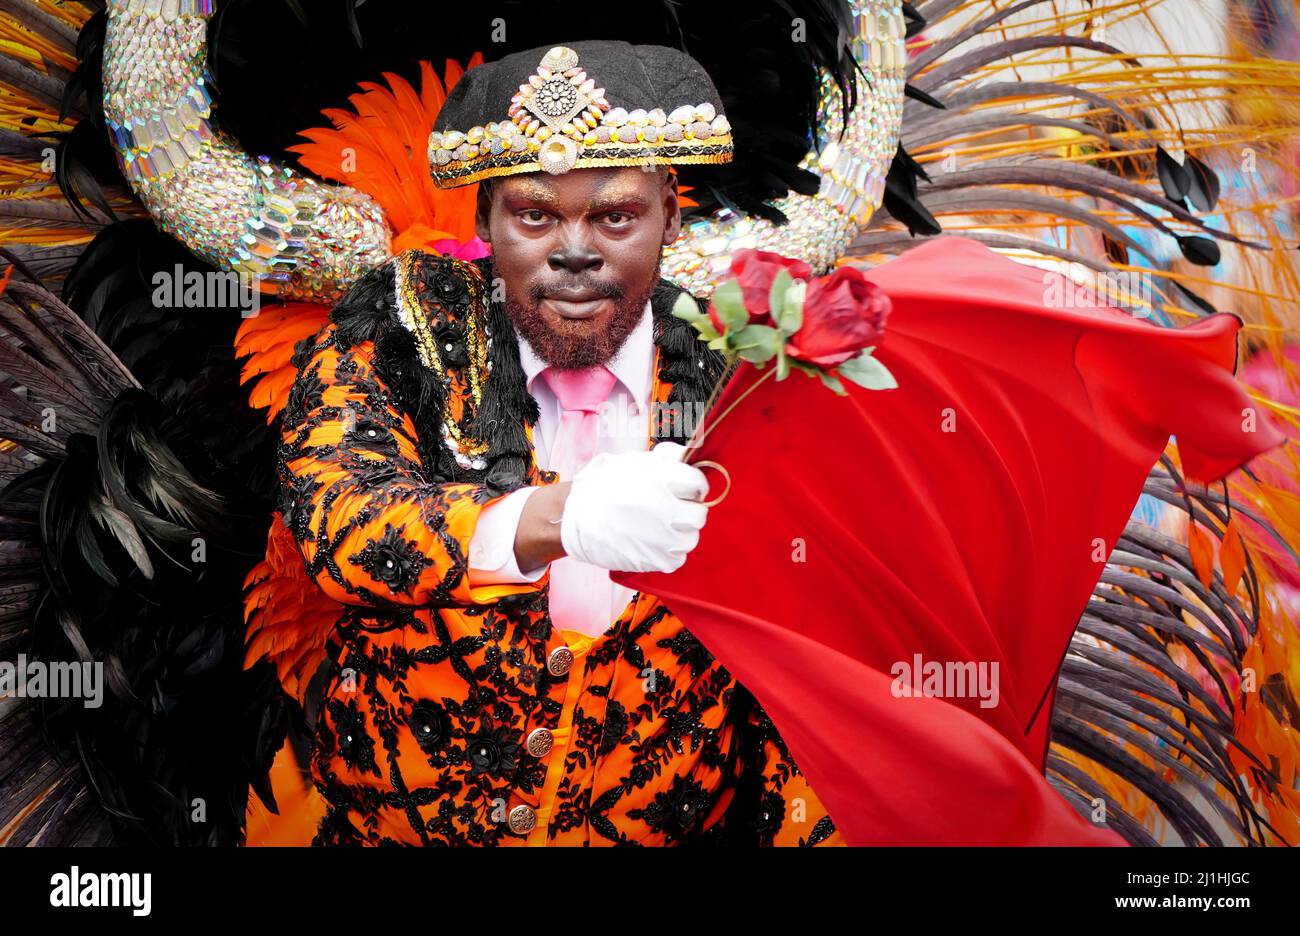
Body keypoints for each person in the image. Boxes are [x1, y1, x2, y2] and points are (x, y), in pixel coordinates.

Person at [278, 40, 843, 846]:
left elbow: (804, 662)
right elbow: (337, 519)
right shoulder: (401, 330)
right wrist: (554, 520)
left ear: (672, 219)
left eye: (615, 216)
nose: (575, 254)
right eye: (536, 214)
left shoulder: (743, 376)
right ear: (484, 222)